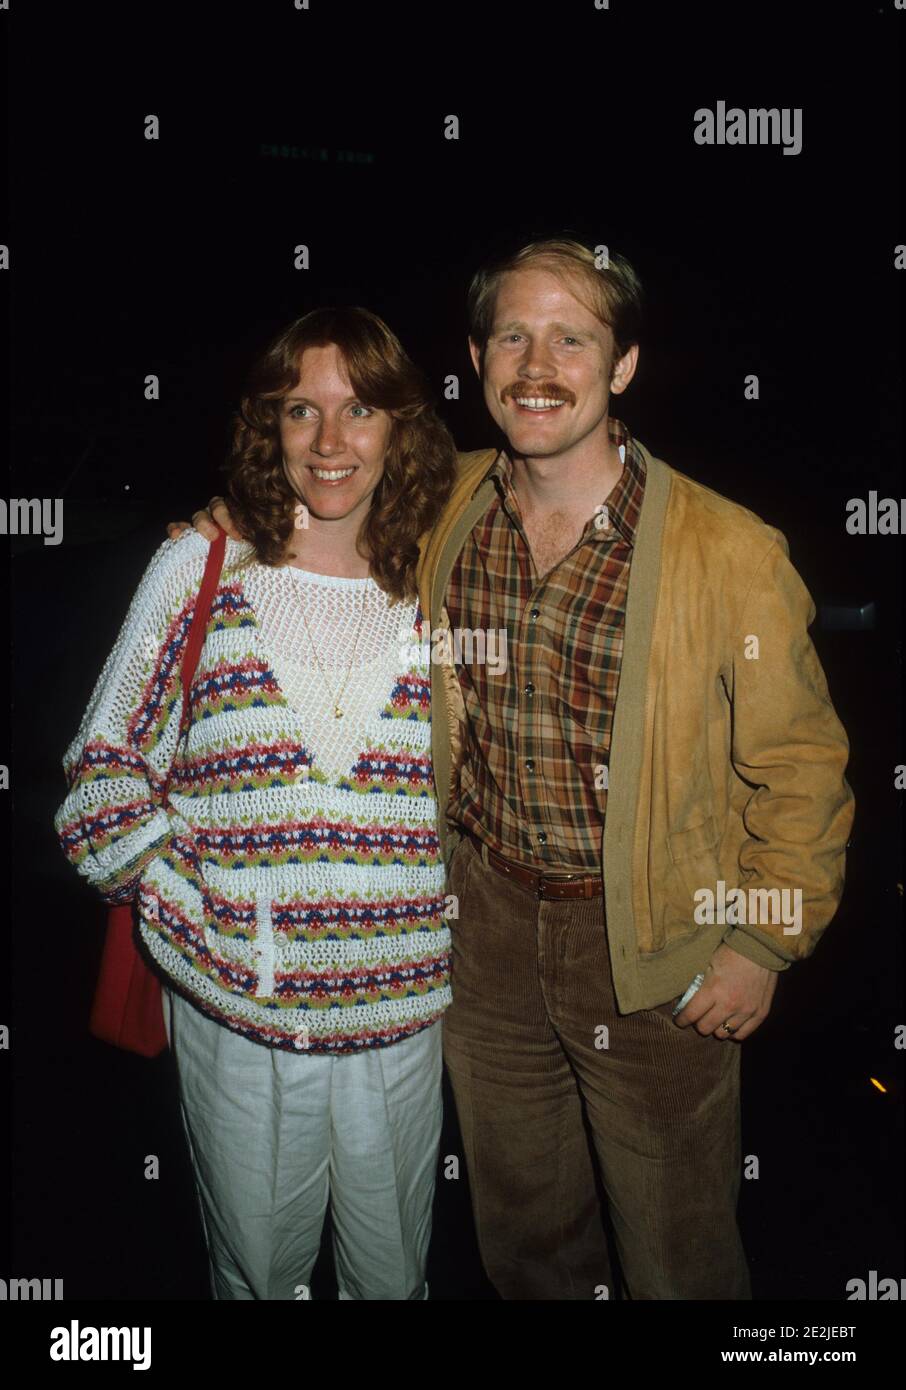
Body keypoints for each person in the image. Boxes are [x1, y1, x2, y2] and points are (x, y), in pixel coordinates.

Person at [177, 237, 856, 1301]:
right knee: (528, 1245)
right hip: (479, 939)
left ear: (623, 364)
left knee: (679, 1259)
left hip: (651, 952)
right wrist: (225, 529)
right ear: (478, 357)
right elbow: (314, 500)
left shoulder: (729, 551)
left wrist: (764, 941)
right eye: (512, 336)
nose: (538, 364)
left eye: (572, 338)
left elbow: (804, 766)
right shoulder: (438, 507)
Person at [54, 306, 459, 1300]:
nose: (329, 442)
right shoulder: (198, 571)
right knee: (254, 1275)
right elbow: (101, 771)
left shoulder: (449, 586)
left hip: (401, 1012)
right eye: (298, 410)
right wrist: (189, 911)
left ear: (401, 425)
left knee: (392, 1278)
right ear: (265, 427)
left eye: (360, 409)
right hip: (234, 1004)